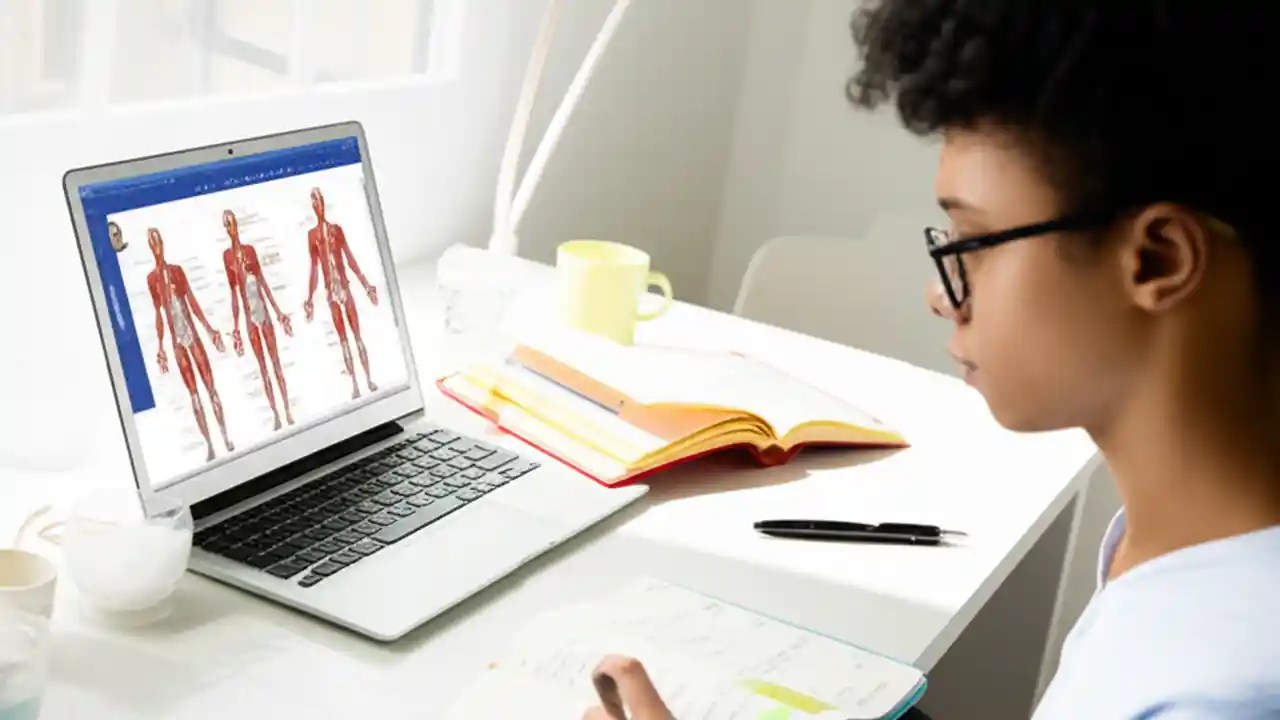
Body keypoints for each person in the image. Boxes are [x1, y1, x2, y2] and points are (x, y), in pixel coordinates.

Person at [582, 2, 1280, 719]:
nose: (940, 295)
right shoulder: (1183, 548)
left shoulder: (1222, 692)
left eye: (973, 243)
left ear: (1157, 259)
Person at [146, 227, 234, 462]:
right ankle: (210, 446)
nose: (157, 247)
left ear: (162, 244)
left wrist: (209, 329)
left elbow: (191, 301)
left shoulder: (176, 271)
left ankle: (225, 437)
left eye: (158, 241)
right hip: (177, 342)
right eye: (152, 243)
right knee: (194, 394)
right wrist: (160, 346)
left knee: (211, 388)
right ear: (150, 248)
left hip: (192, 336)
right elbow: (158, 313)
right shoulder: (152, 280)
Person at [303, 187, 379, 399]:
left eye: (319, 200)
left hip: (344, 287)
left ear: (323, 202)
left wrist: (366, 285)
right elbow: (314, 269)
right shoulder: (312, 236)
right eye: (314, 201)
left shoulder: (336, 230)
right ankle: (355, 384)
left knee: (357, 336)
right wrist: (310, 298)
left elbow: (349, 258)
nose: (317, 205)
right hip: (331, 293)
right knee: (343, 339)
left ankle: (368, 379)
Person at [222, 209, 295, 430]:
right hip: (249, 319)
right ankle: (276, 414)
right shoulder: (227, 257)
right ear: (226, 229)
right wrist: (236, 328)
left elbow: (262, 282)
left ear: (237, 225)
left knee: (276, 364)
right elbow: (234, 293)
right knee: (263, 368)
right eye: (227, 224)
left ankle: (287, 410)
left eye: (232, 223)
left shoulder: (250, 251)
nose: (231, 228)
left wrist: (278, 312)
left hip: (263, 312)